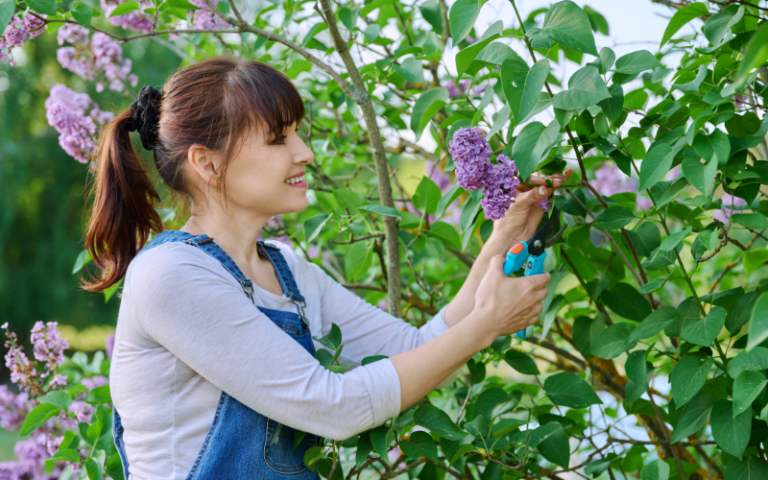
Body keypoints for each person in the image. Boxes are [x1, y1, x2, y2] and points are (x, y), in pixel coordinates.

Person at [83, 56, 570, 480]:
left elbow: (416, 348)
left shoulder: (288, 271)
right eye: (279, 139)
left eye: (297, 133)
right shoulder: (171, 275)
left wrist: (503, 238)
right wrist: (487, 325)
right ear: (207, 164)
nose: (305, 154)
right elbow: (335, 406)